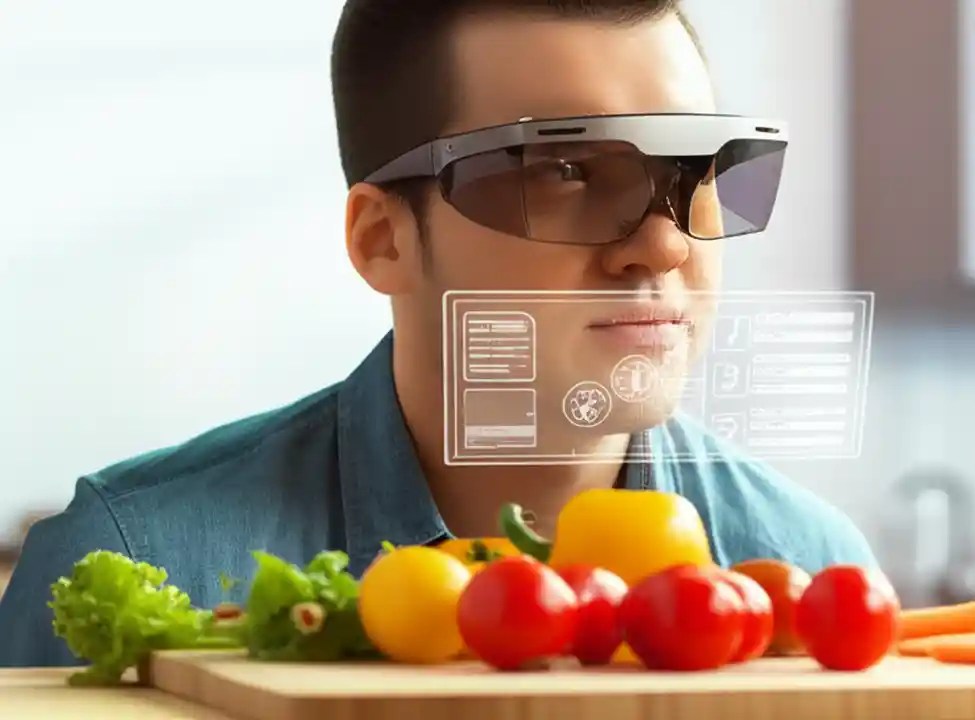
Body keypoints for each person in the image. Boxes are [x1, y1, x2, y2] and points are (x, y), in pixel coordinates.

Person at [0, 0, 877, 668]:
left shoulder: (811, 572)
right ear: (382, 239)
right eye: (565, 172)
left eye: (699, 171)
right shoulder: (137, 563)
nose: (666, 245)